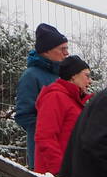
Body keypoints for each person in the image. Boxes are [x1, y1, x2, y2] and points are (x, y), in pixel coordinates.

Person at [14, 23, 69, 167]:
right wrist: (49, 129)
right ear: (47, 51)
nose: (66, 53)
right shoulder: (31, 76)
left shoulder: (63, 77)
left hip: (66, 151)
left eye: (67, 48)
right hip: (43, 155)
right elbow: (24, 115)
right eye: (62, 49)